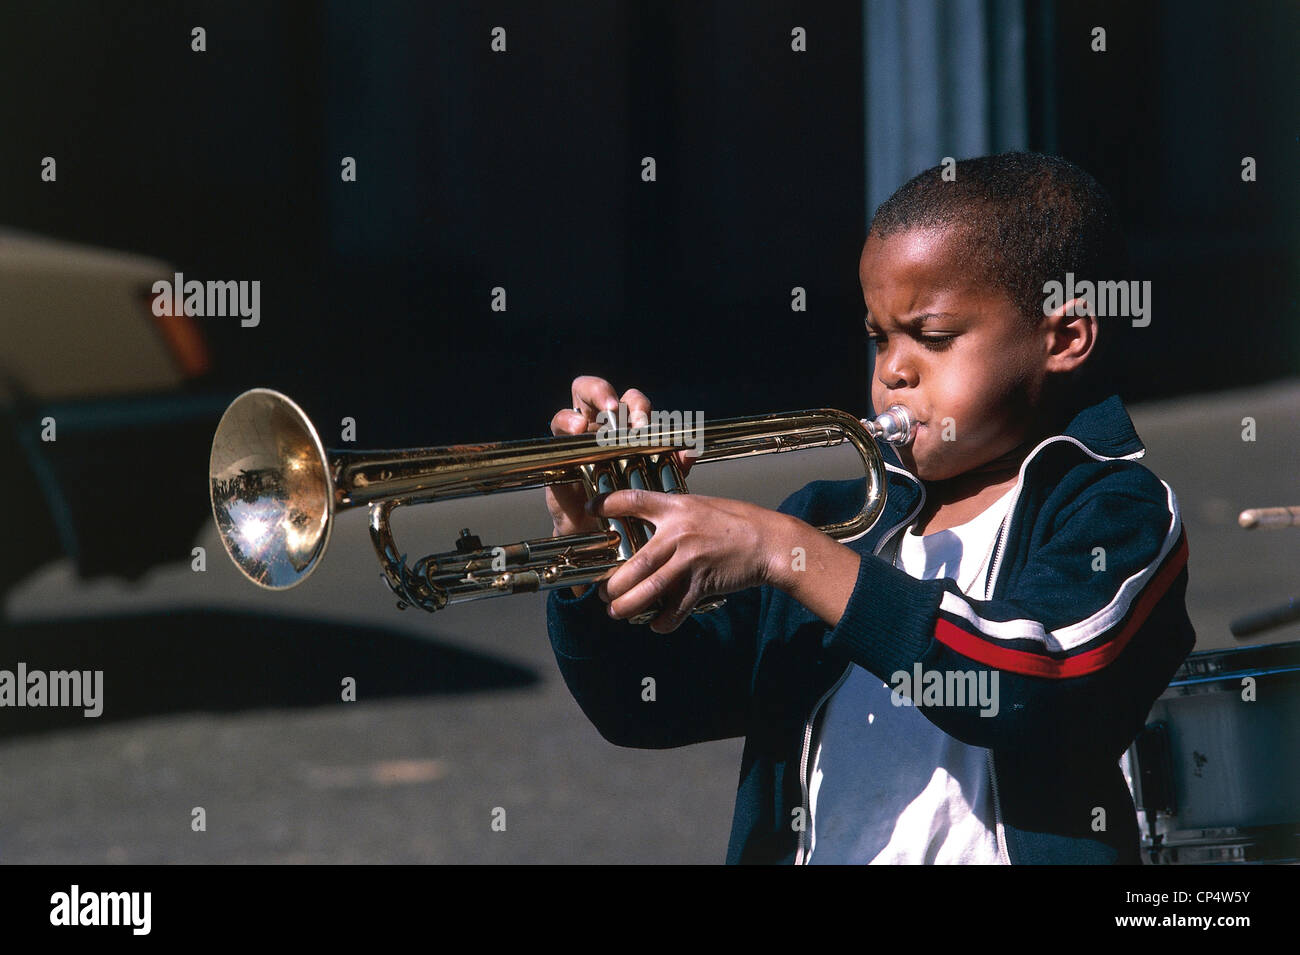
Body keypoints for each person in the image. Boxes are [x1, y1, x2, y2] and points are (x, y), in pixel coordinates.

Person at [543, 152, 1195, 864]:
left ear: (1063, 338)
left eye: (933, 337)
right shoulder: (830, 518)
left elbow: (1031, 686)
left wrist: (790, 556)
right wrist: (594, 542)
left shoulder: (1118, 512)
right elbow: (644, 703)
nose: (891, 370)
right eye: (879, 337)